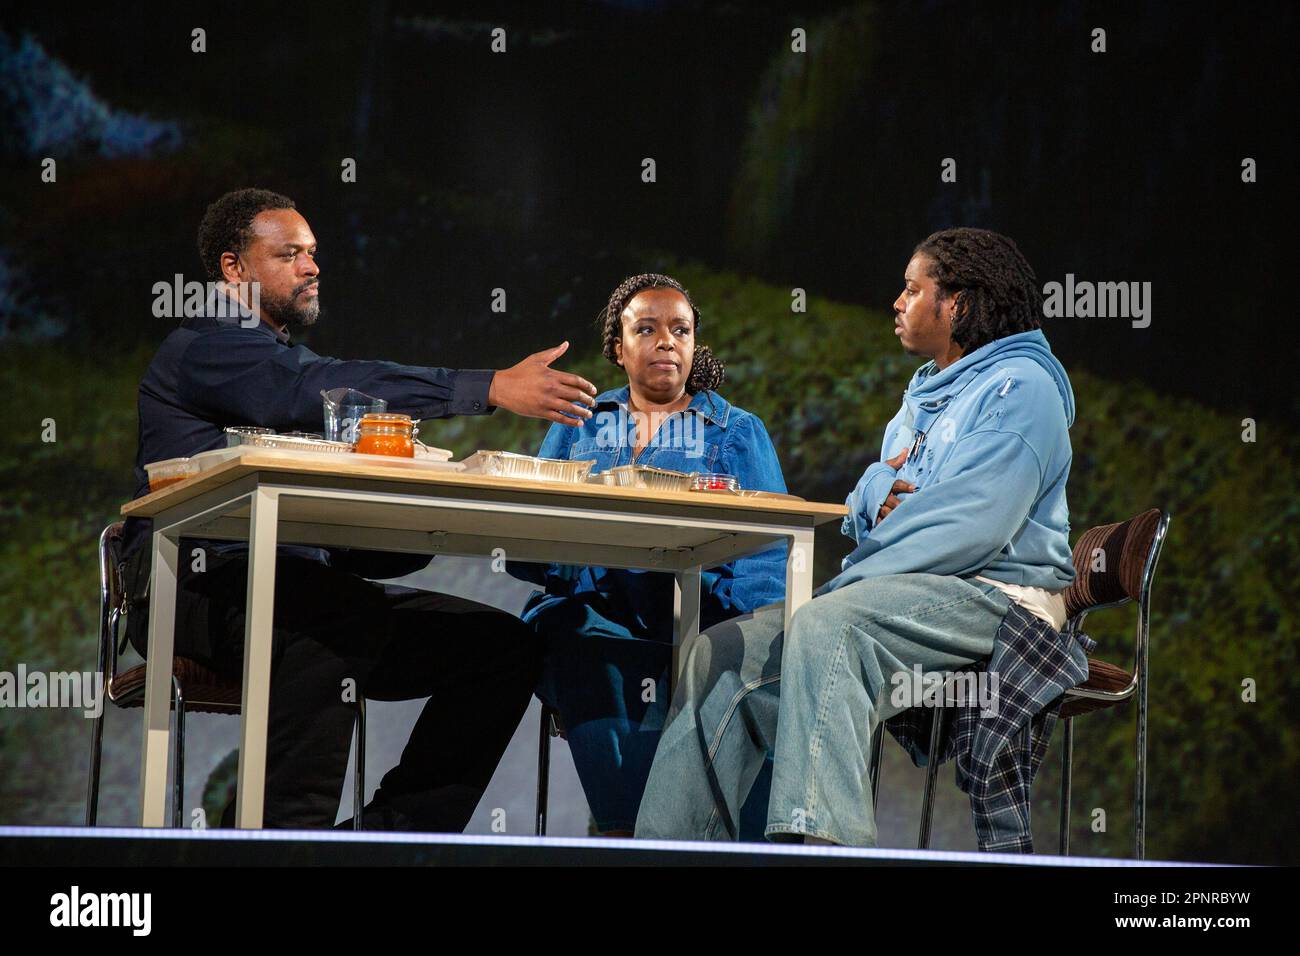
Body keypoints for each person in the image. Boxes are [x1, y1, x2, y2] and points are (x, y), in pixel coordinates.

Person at [121, 187, 599, 830]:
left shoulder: (285, 366)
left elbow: (354, 547)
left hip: (297, 589)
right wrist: (486, 387)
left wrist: (415, 513)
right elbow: (308, 387)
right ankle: (282, 842)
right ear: (233, 268)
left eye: (313, 253)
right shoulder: (209, 344)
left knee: (502, 647)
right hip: (198, 585)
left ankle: (392, 837)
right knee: (335, 618)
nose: (312, 266)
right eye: (289, 254)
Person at [635, 228, 1077, 846]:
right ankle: (668, 854)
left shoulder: (1021, 389)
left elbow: (971, 525)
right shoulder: (926, 393)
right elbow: (882, 490)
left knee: (827, 623)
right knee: (721, 653)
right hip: (910, 589)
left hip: (995, 598)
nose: (897, 302)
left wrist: (854, 573)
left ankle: (820, 848)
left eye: (912, 289)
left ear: (960, 304)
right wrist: (872, 492)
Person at [509, 273, 787, 836]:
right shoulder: (580, 422)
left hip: (703, 618)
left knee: (749, 662)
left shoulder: (735, 431)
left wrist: (744, 633)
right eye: (648, 329)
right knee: (571, 634)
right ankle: (629, 832)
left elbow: (767, 556)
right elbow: (533, 543)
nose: (667, 341)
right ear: (618, 348)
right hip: (602, 616)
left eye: (680, 331)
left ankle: (665, 835)